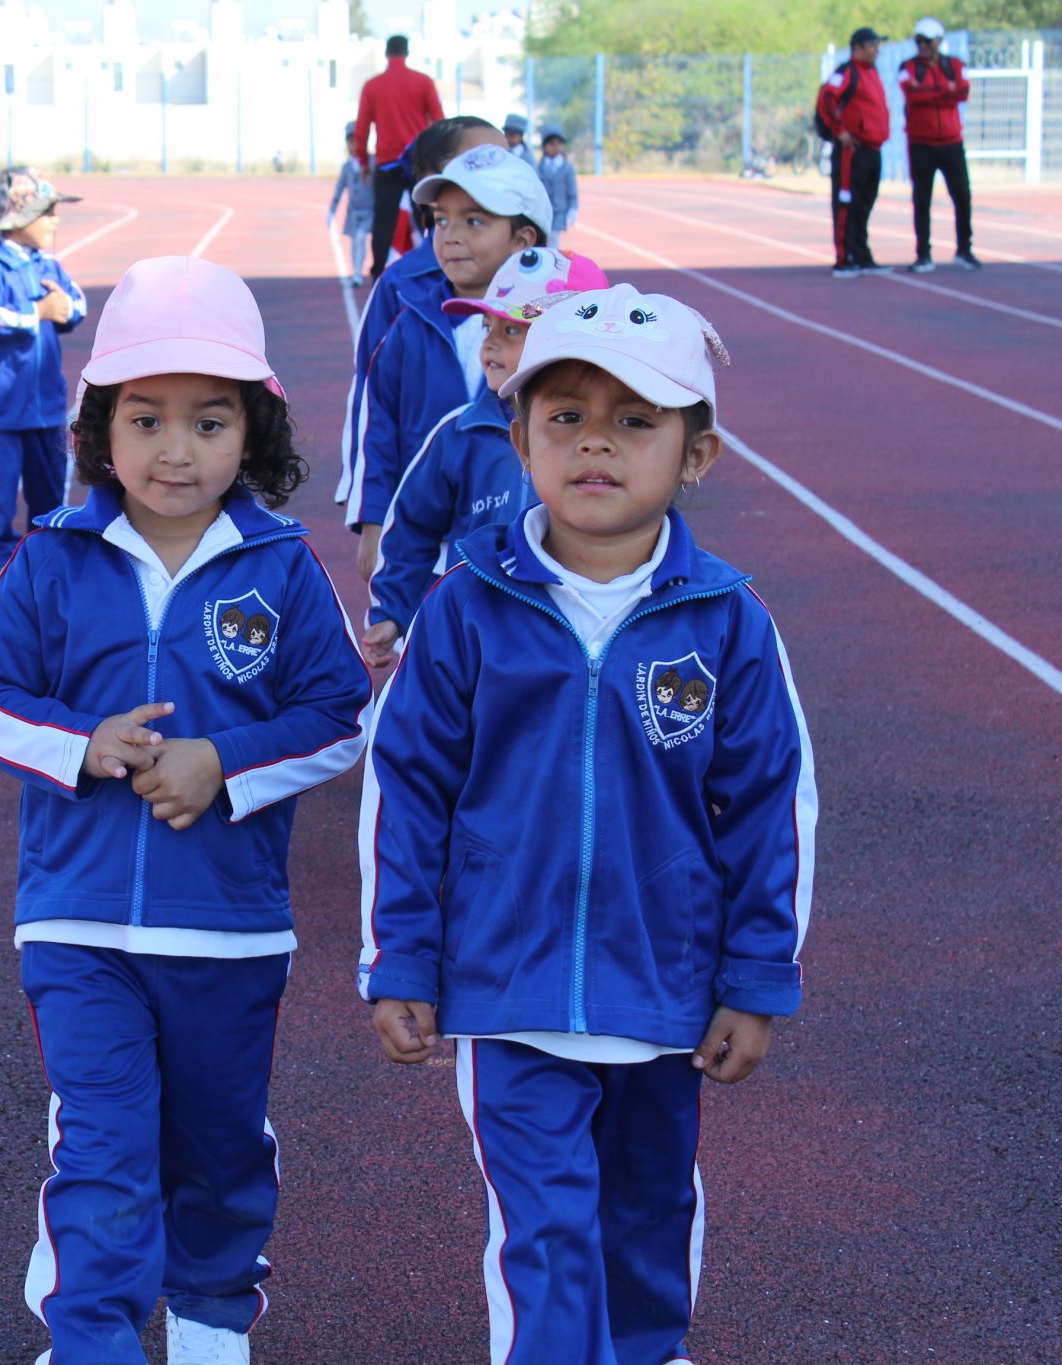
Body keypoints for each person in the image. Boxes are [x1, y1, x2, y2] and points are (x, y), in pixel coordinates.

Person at [359, 283, 817, 1365]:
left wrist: (755, 982)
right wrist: (400, 959)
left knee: (645, 1220)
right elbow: (404, 786)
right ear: (515, 438)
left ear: (694, 457)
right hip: (505, 989)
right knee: (546, 1232)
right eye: (563, 416)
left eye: (634, 421)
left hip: (664, 988)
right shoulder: (463, 609)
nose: (593, 445)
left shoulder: (727, 620)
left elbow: (769, 809)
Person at [0, 255, 371, 1365]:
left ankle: (214, 1316)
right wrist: (79, 746)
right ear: (99, 427)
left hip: (226, 928)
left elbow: (339, 712)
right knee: (104, 1145)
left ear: (252, 433)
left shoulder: (279, 567)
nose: (174, 450)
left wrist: (220, 762)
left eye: (207, 421)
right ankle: (91, 1337)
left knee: (219, 1145)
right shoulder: (51, 559)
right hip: (77, 924)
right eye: (144, 419)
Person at [360, 246, 610, 669]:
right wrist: (393, 611)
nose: (489, 341)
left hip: (576, 639)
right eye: (487, 324)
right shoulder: (459, 434)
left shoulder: (604, 446)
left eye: (512, 330)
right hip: (474, 635)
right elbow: (411, 528)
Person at [346, 143, 553, 583]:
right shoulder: (412, 320)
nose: (449, 235)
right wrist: (373, 518)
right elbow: (378, 421)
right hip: (429, 546)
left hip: (527, 545)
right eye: (440, 220)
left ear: (523, 240)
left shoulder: (558, 328)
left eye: (474, 221)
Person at [335, 116, 505, 511]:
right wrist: (371, 511)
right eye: (482, 158)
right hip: (421, 512)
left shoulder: (543, 287)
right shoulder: (401, 285)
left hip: (510, 509)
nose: (498, 168)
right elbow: (371, 396)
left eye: (505, 159)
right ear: (433, 183)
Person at [0, 167, 87, 589]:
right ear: (16, 217)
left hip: (46, 405)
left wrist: (65, 308)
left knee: (49, 484)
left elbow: (76, 303)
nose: (55, 220)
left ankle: (47, 549)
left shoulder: (49, 263)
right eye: (47, 211)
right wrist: (39, 313)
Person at [352, 34, 446, 280]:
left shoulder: (372, 86)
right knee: (428, 216)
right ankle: (437, 263)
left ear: (386, 54)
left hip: (387, 164)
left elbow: (361, 129)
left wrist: (363, 161)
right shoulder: (423, 82)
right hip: (417, 162)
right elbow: (439, 121)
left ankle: (377, 273)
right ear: (406, 53)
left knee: (384, 220)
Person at [900, 17, 980, 272]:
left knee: (962, 196)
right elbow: (912, 93)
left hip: (951, 143)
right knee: (922, 199)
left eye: (926, 41)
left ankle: (964, 249)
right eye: (918, 41)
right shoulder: (908, 67)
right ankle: (923, 254)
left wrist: (933, 90)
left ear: (938, 41)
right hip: (921, 144)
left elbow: (964, 91)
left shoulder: (955, 64)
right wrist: (946, 90)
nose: (922, 45)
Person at [817, 27, 891, 278]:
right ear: (858, 47)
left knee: (865, 203)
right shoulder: (847, 72)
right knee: (847, 202)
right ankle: (844, 256)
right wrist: (839, 130)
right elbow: (826, 98)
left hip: (873, 149)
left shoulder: (872, 73)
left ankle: (861, 253)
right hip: (852, 151)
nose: (877, 49)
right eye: (872, 45)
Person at [327, 121, 378, 282]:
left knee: (361, 238)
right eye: (350, 142)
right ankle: (356, 271)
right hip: (353, 213)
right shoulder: (347, 167)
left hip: (369, 211)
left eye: (356, 141)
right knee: (355, 241)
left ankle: (359, 272)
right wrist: (332, 211)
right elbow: (339, 190)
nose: (353, 145)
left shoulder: (373, 163)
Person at [535, 127, 579, 249]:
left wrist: (573, 208)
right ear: (544, 146)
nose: (556, 147)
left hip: (558, 212)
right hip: (542, 212)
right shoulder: (539, 167)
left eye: (559, 143)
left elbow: (572, 191)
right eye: (551, 143)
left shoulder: (567, 168)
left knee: (553, 239)